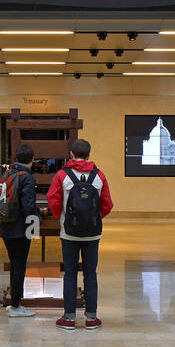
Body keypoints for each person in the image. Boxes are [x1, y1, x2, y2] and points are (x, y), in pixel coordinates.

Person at [47, 138, 113, 331]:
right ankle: (91, 318)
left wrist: (64, 218)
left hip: (69, 234)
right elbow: (107, 205)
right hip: (93, 235)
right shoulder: (99, 176)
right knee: (91, 274)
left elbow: (54, 201)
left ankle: (69, 319)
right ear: (89, 155)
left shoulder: (61, 175)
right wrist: (94, 218)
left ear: (72, 155)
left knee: (70, 274)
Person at [0, 144, 39, 318]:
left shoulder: (7, 174)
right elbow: (28, 207)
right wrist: (41, 213)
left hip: (6, 225)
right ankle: (16, 306)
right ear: (32, 160)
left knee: (14, 264)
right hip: (21, 227)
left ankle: (15, 303)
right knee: (20, 265)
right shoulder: (27, 178)